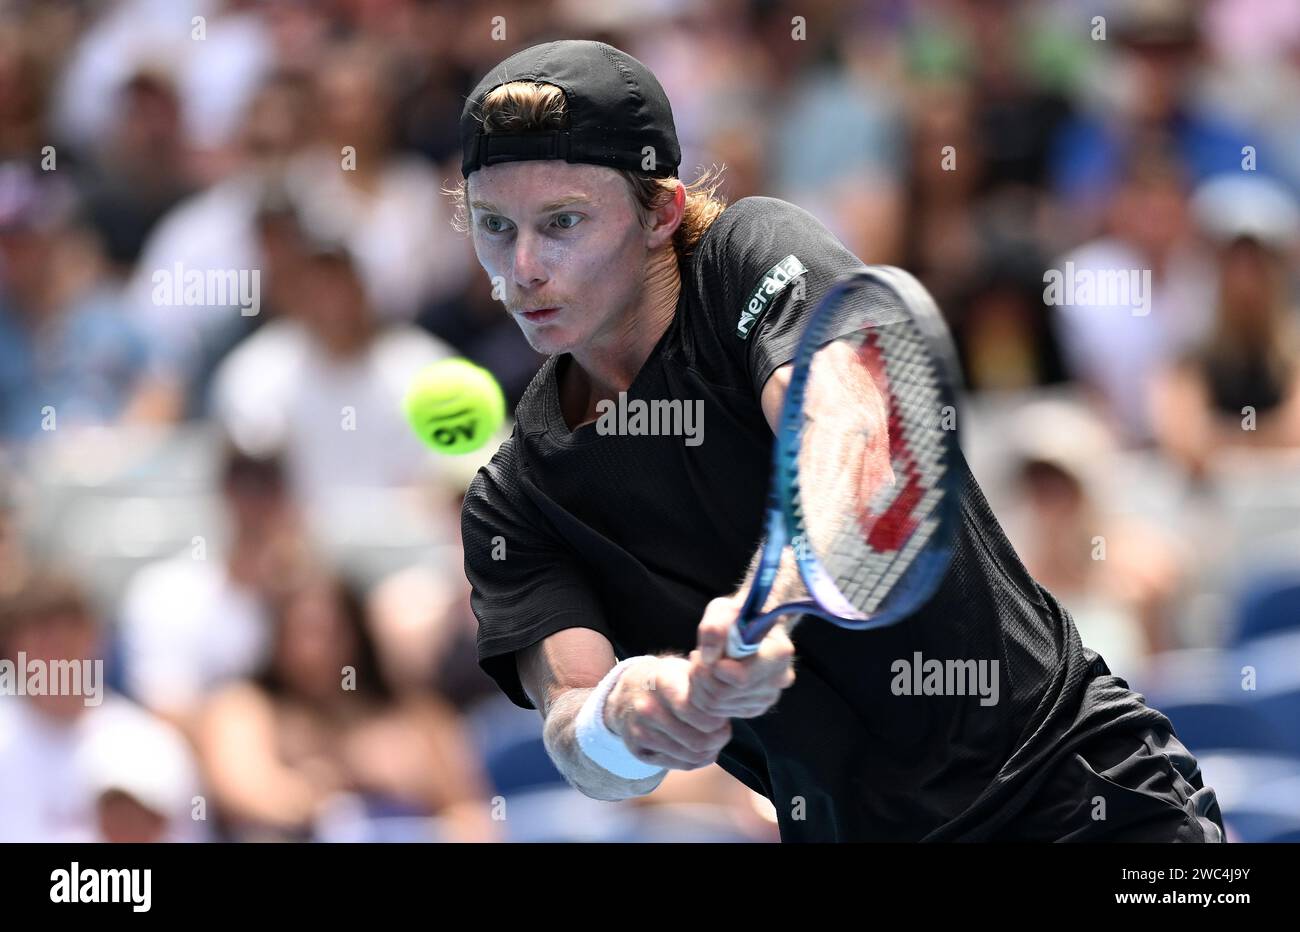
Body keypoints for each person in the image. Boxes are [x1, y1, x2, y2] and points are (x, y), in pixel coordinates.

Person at [455, 40, 1224, 842]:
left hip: (1069, 791)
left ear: (661, 212)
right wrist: (633, 712)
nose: (523, 268)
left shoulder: (753, 258)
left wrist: (775, 594)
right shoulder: (515, 502)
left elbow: (851, 432)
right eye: (494, 227)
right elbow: (574, 729)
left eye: (563, 221)